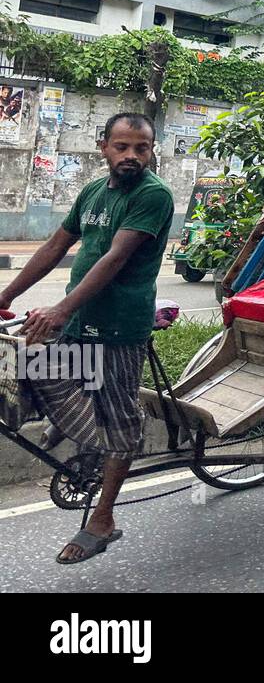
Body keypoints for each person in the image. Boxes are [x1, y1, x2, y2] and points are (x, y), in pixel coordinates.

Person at [0, 113, 174, 564]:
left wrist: (60, 309)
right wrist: (6, 295)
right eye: (122, 146)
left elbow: (115, 259)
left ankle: (103, 519)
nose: (132, 156)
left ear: (152, 151)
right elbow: (55, 247)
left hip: (117, 328)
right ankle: (75, 425)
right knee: (29, 368)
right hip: (80, 322)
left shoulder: (153, 195)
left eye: (141, 148)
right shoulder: (94, 192)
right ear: (104, 147)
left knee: (119, 423)